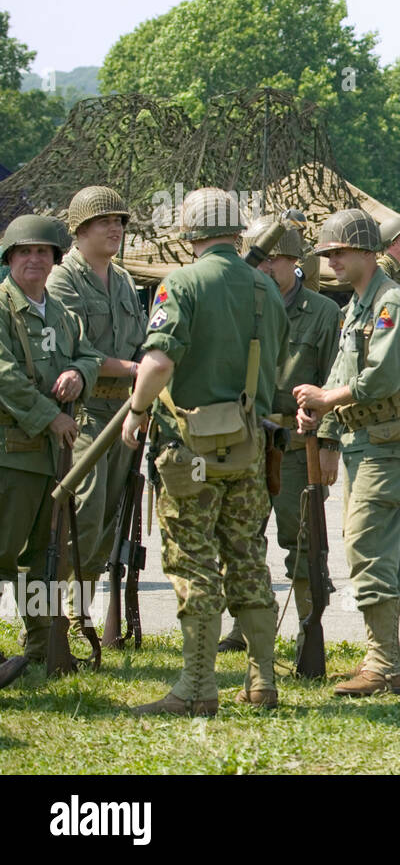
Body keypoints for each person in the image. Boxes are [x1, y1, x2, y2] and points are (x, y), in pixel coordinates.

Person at [121, 188, 287, 715]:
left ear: (190, 233)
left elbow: (159, 363)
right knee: (247, 557)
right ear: (237, 233)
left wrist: (137, 410)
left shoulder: (181, 284)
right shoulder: (266, 289)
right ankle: (263, 682)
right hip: (249, 445)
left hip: (188, 448)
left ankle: (197, 687)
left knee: (193, 561)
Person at [294, 209, 400, 696]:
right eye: (327, 254)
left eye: (340, 253)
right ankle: (383, 659)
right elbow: (341, 372)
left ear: (369, 252)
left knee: (369, 543)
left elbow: (383, 377)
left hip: (385, 443)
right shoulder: (357, 307)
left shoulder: (392, 304)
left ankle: (385, 663)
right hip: (360, 440)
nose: (331, 262)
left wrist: (328, 399)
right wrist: (320, 413)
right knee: (369, 544)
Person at [217, 219, 341, 658]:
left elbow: (334, 381)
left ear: (295, 262)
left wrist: (328, 444)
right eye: (261, 259)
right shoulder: (238, 306)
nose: (267, 268)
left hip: (295, 442)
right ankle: (245, 625)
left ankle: (309, 626)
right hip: (244, 439)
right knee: (241, 536)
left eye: (277, 260)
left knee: (303, 539)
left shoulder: (324, 313)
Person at [0, 215, 102, 689]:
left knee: (44, 557)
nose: (35, 260)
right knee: (2, 552)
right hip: (10, 454)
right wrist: (51, 414)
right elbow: (4, 376)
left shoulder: (63, 315)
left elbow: (88, 354)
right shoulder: (1, 308)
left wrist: (80, 374)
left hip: (50, 457)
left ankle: (41, 648)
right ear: (10, 259)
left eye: (44, 252)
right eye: (25, 252)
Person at [45, 187, 146, 628]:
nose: (115, 229)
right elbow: (74, 348)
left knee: (108, 517)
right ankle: (53, 614)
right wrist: (137, 369)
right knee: (82, 511)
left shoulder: (123, 279)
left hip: (123, 411)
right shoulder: (62, 279)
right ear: (80, 230)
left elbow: (142, 338)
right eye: (105, 222)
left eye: (120, 222)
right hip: (84, 413)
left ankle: (79, 610)